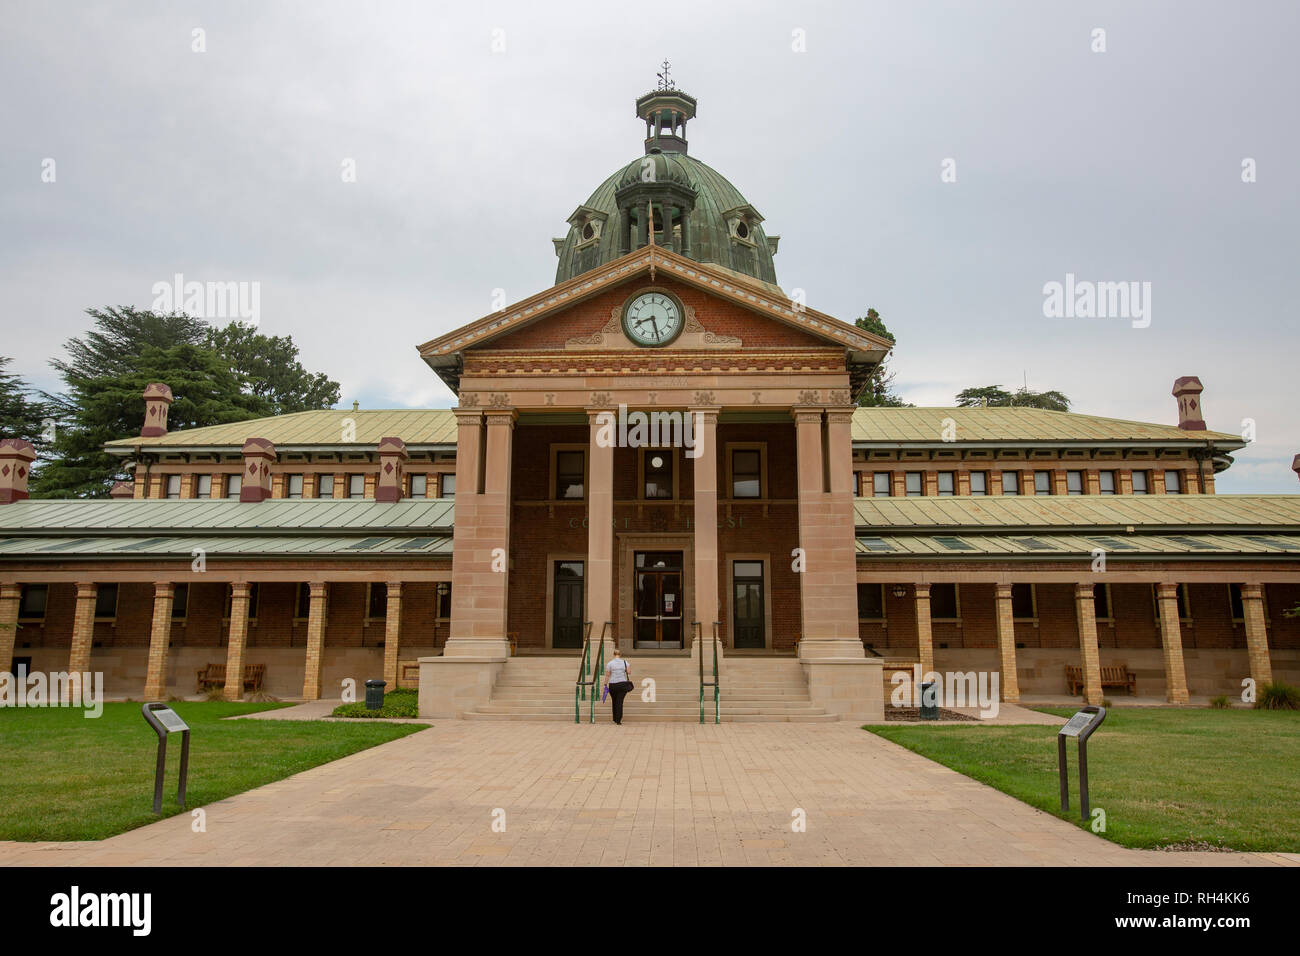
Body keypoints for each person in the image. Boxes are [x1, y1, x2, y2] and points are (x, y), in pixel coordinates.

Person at [603, 649, 633, 725]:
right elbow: (629, 672)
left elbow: (607, 675)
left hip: (613, 684)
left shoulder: (610, 663)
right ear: (620, 655)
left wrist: (605, 684)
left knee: (614, 701)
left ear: (613, 655)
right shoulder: (625, 662)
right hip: (622, 684)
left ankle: (615, 718)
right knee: (620, 702)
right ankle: (618, 720)